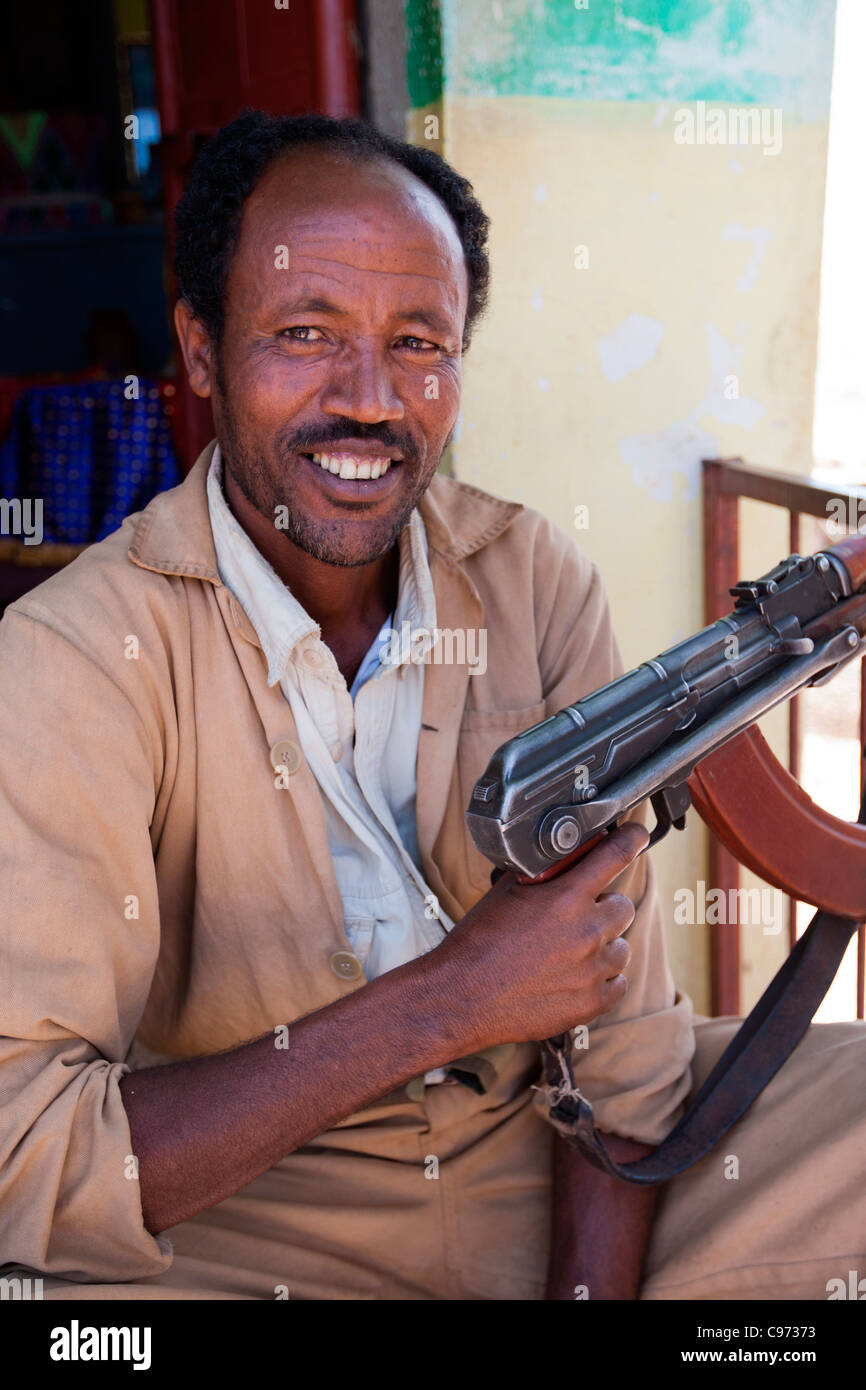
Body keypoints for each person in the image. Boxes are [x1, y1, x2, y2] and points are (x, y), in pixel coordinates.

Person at [0, 113, 862, 1302]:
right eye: (304, 335)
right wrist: (447, 1001)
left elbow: (619, 1064)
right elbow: (29, 1151)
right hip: (243, 1216)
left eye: (418, 342)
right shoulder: (77, 657)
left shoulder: (530, 577)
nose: (368, 400)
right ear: (198, 350)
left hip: (551, 1155)